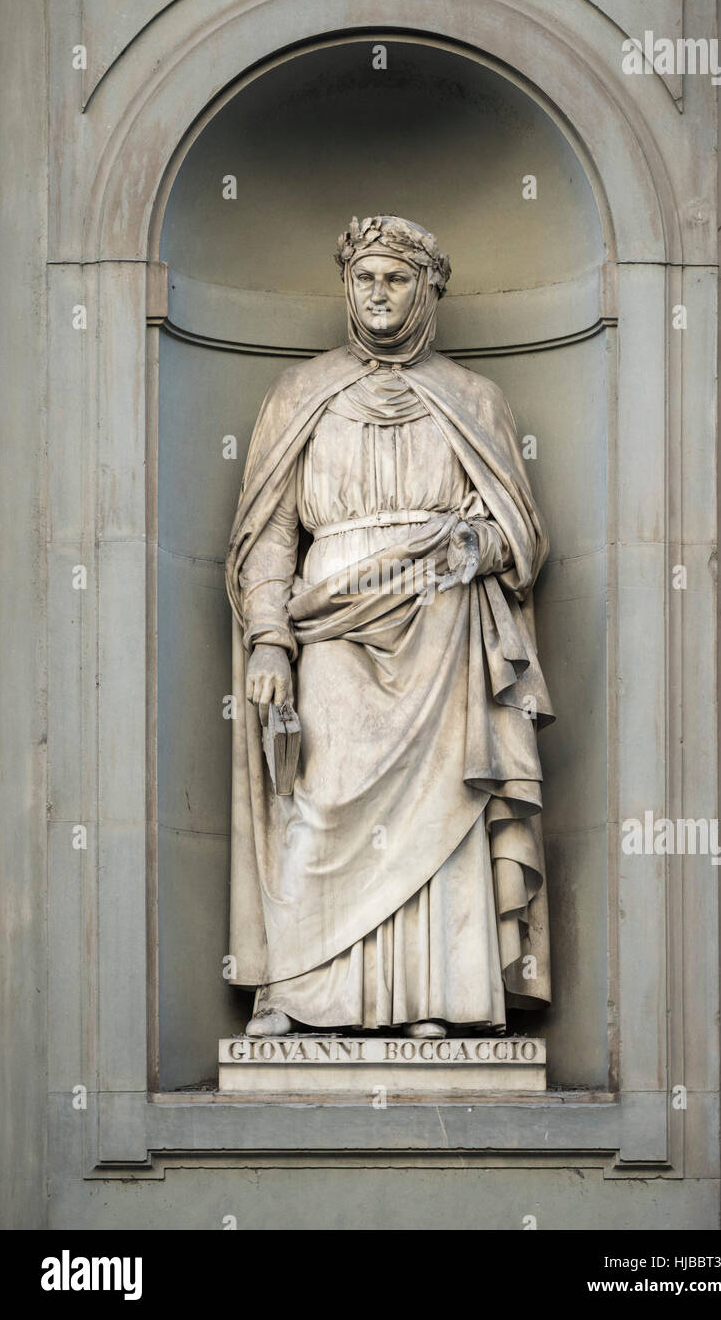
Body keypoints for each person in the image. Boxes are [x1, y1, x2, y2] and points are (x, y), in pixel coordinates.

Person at [225, 215, 554, 1039]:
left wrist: (461, 548)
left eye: (397, 278)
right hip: (329, 621)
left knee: (444, 809)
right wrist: (269, 635)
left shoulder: (474, 399)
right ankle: (300, 989)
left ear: (427, 288)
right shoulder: (299, 395)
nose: (379, 293)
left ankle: (430, 997)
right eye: (365, 277)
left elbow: (521, 535)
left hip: (441, 628)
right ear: (347, 285)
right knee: (321, 798)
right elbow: (266, 533)